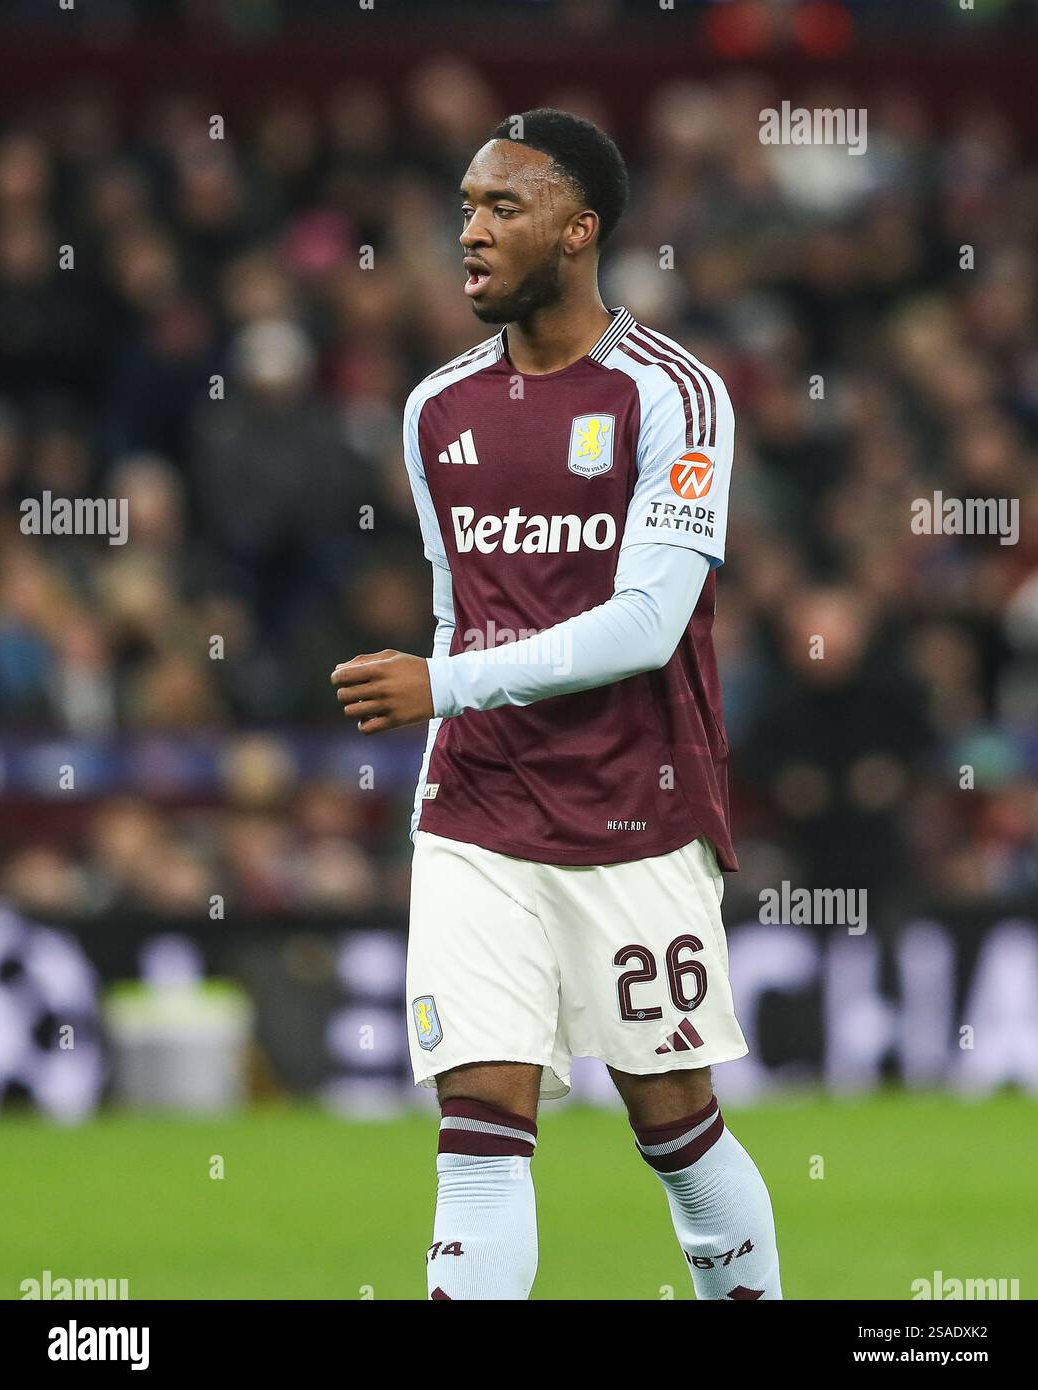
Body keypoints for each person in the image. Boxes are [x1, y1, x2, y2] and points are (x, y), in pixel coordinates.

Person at [331, 108, 782, 1302]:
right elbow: (455, 609)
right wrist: (442, 734)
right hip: (475, 809)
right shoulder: (436, 409)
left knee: (675, 1128)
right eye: (465, 205)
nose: (466, 231)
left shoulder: (675, 394)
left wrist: (446, 683)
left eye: (501, 208)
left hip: (634, 804)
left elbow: (646, 626)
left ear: (578, 231)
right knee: (476, 1128)